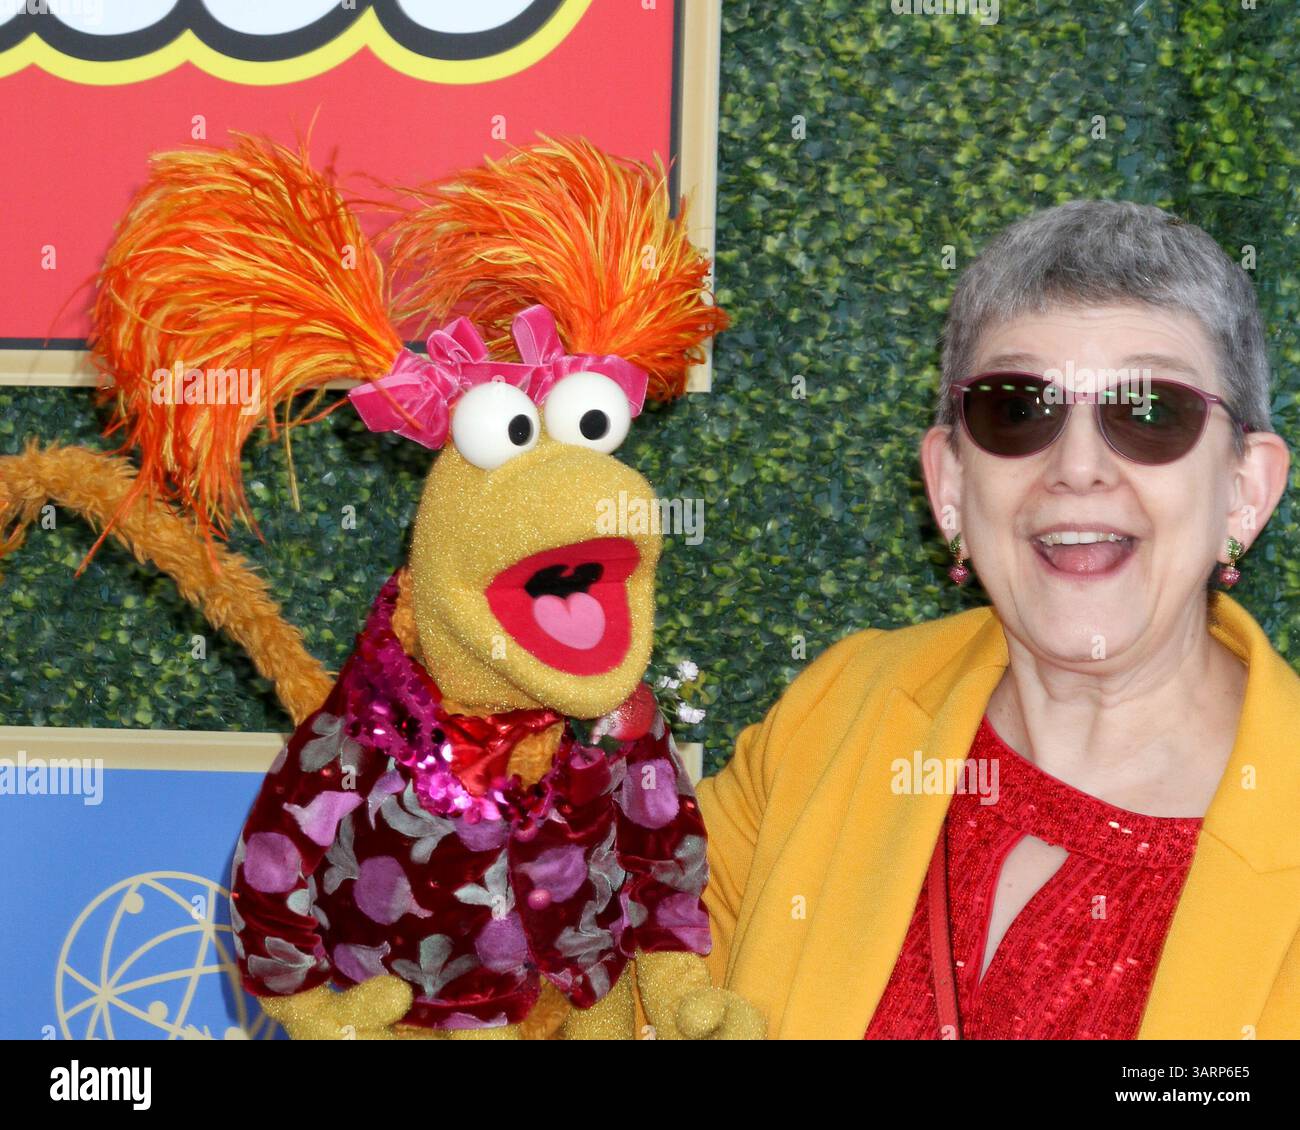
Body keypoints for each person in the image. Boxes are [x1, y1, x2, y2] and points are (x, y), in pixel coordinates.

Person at [696, 200, 1298, 1039]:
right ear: (949, 483)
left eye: (1150, 413)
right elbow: (621, 991)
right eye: (1018, 409)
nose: (1078, 467)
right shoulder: (838, 713)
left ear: (1246, 490)